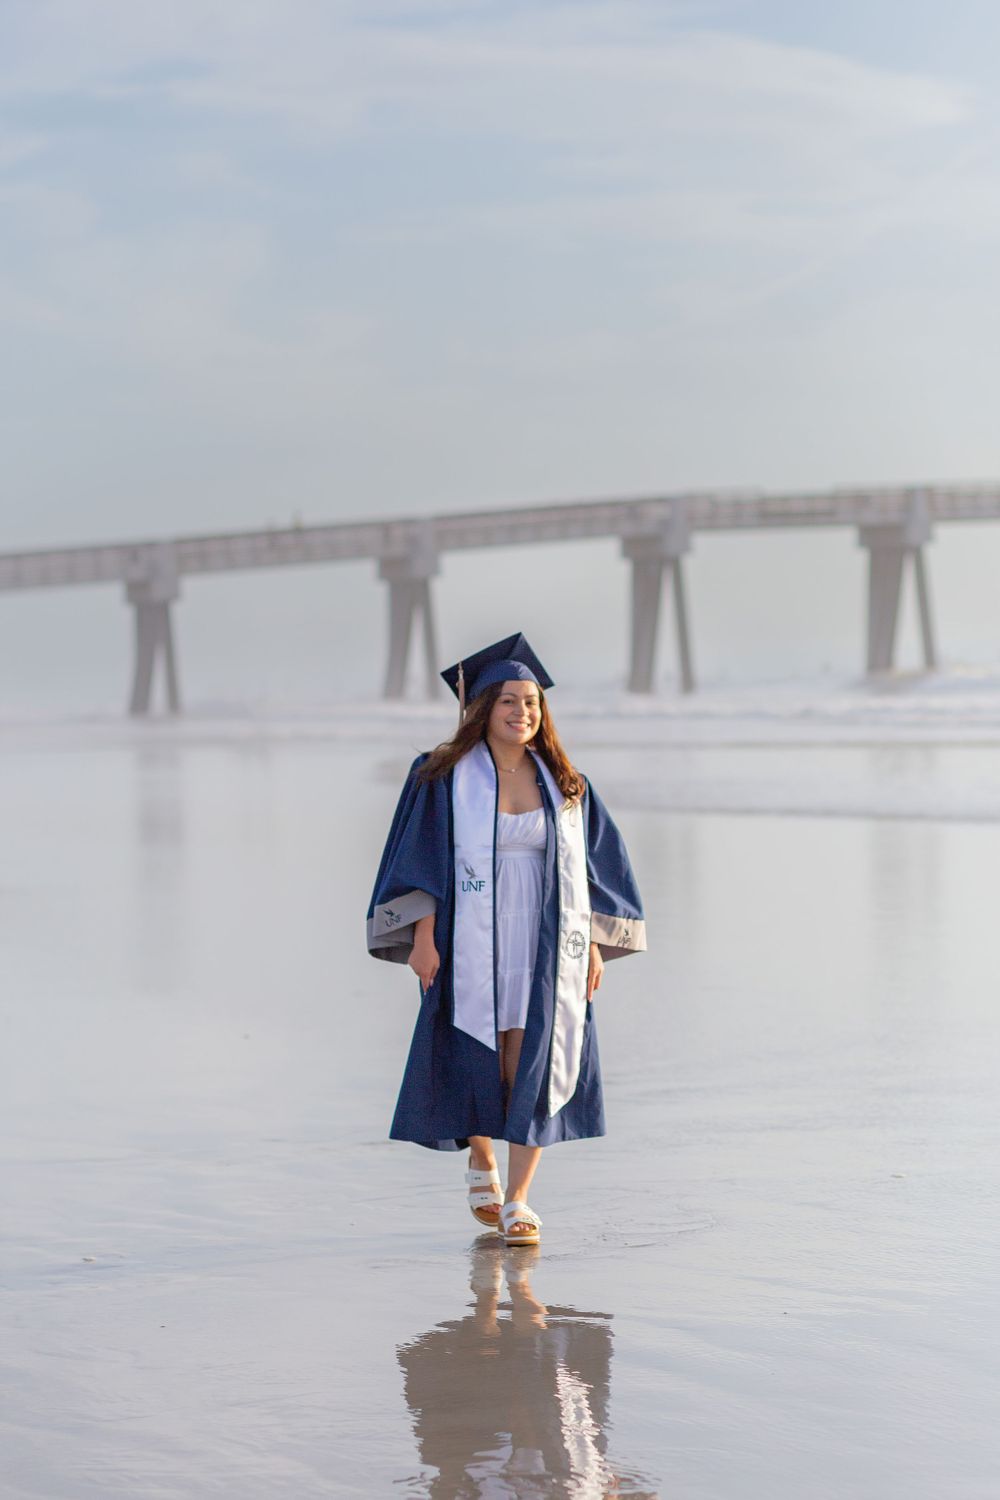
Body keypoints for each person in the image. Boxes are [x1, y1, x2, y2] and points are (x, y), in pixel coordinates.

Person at [366, 633, 645, 1246]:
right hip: (469, 928)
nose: (523, 712)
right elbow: (423, 858)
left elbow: (596, 868)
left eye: (532, 702)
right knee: (479, 1049)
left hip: (546, 935)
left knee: (534, 1057)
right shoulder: (442, 776)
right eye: (509, 702)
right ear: (484, 708)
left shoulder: (566, 782)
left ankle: (519, 1198)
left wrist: (596, 946)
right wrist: (423, 938)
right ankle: (481, 1154)